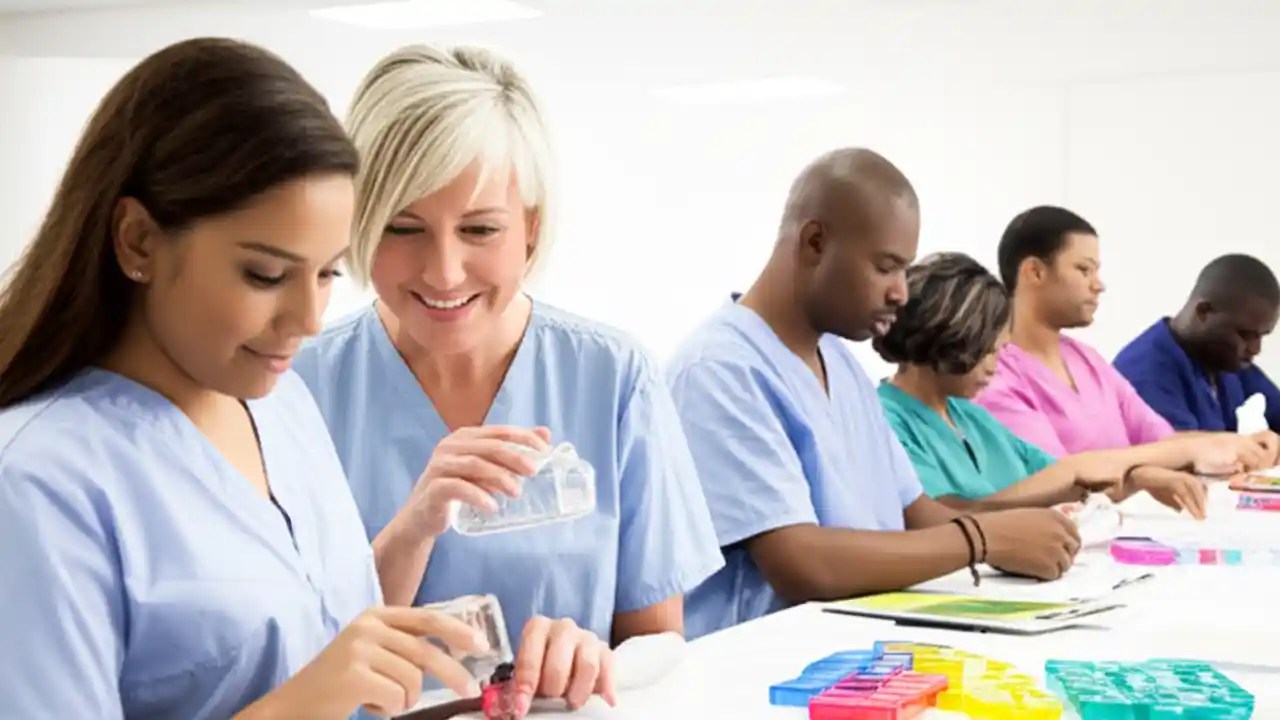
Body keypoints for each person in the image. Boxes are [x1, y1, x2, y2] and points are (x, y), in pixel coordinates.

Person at [0, 38, 488, 720]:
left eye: (326, 274)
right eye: (265, 275)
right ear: (138, 240)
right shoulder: (37, 485)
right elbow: (316, 690)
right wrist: (301, 705)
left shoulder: (282, 400)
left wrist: (492, 679)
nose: (310, 318)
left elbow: (338, 657)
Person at [293, 43, 723, 705]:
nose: (442, 271)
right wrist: (412, 530)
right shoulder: (297, 389)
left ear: (531, 226)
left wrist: (591, 659)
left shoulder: (612, 376)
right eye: (403, 228)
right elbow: (297, 653)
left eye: (480, 230)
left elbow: (659, 638)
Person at [665, 147, 1089, 640]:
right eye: (886, 267)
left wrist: (1018, 537)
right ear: (815, 242)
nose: (901, 293)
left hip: (853, 647)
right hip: (758, 666)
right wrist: (980, 539)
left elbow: (913, 512)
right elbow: (801, 563)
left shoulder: (840, 364)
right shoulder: (720, 369)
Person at [875, 252, 1240, 519]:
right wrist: (1076, 474)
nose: (996, 364)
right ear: (948, 338)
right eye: (986, 351)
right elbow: (938, 514)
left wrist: (1137, 477)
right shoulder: (886, 420)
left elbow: (1056, 477)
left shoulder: (971, 418)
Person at [975, 206, 1278, 468]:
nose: (1098, 285)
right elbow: (1055, 474)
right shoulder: (993, 373)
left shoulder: (1087, 360)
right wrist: (1204, 449)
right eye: (1084, 270)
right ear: (1034, 272)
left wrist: (1239, 446)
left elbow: (1161, 439)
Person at [1115, 254, 1280, 433]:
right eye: (1245, 335)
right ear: (1203, 312)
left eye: (1261, 336)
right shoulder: (1145, 373)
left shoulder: (1222, 358)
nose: (1256, 349)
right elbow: (1186, 456)